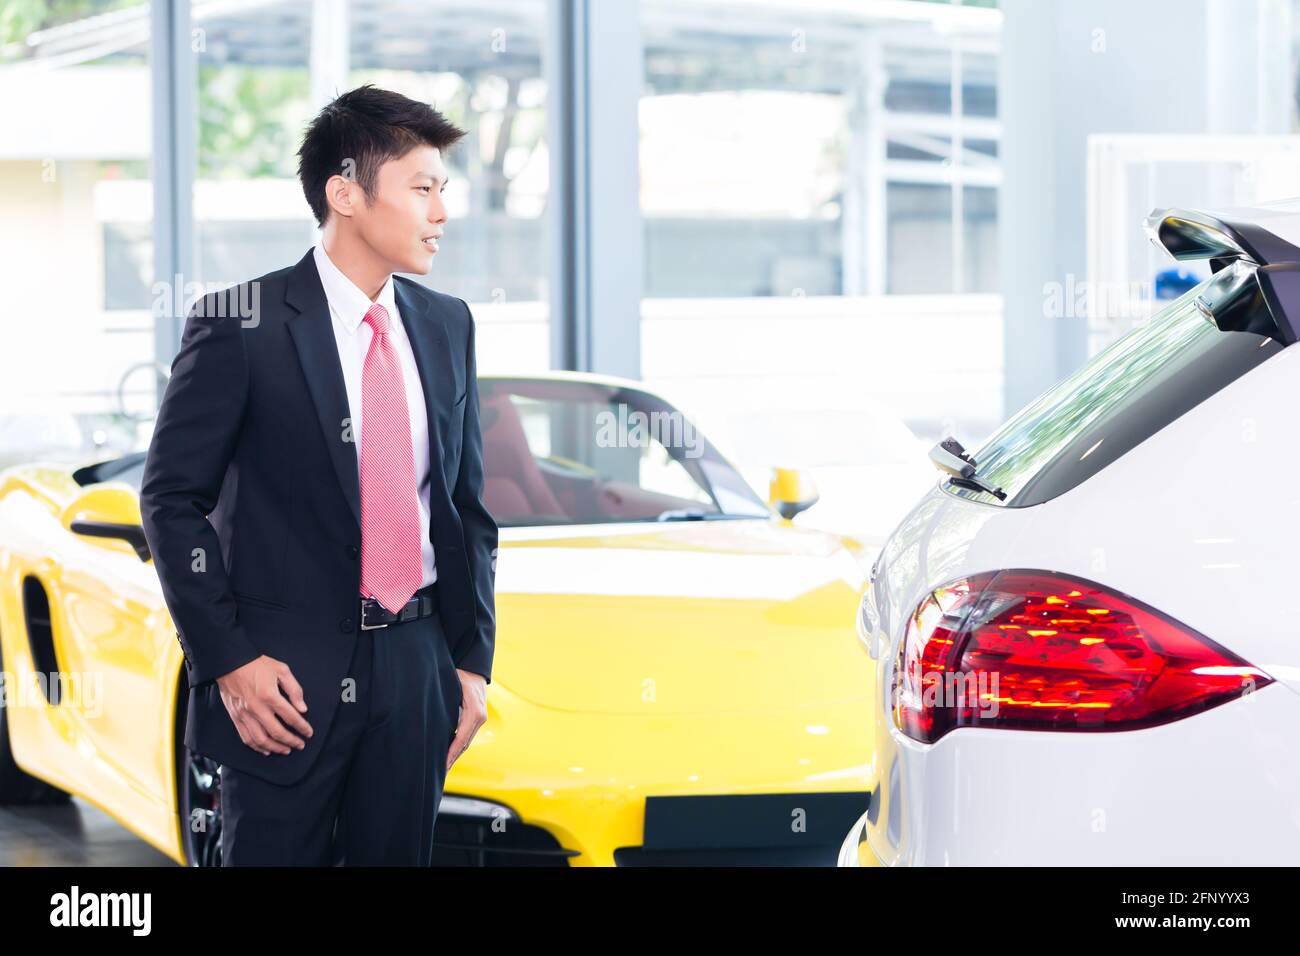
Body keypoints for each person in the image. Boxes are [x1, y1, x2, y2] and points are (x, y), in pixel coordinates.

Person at [139, 84, 497, 865]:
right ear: (346, 192)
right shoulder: (241, 324)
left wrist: (468, 667)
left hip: (416, 671)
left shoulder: (447, 325)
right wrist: (228, 660)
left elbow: (465, 509)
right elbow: (170, 500)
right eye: (423, 188)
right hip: (283, 684)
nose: (442, 212)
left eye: (445, 190)